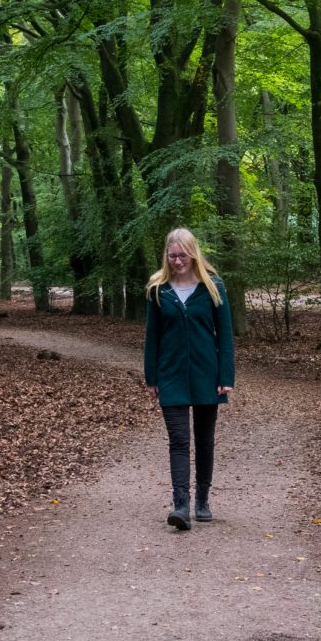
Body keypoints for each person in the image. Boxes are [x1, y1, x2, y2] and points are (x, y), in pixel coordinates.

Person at [140, 227, 234, 530]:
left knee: (204, 441)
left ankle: (202, 500)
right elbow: (151, 337)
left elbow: (226, 336)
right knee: (178, 441)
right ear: (166, 256)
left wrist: (226, 375)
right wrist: (151, 376)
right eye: (173, 255)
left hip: (207, 374)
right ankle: (180, 504)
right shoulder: (158, 290)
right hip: (170, 374)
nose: (178, 260)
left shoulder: (213, 287)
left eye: (183, 255)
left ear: (193, 253)